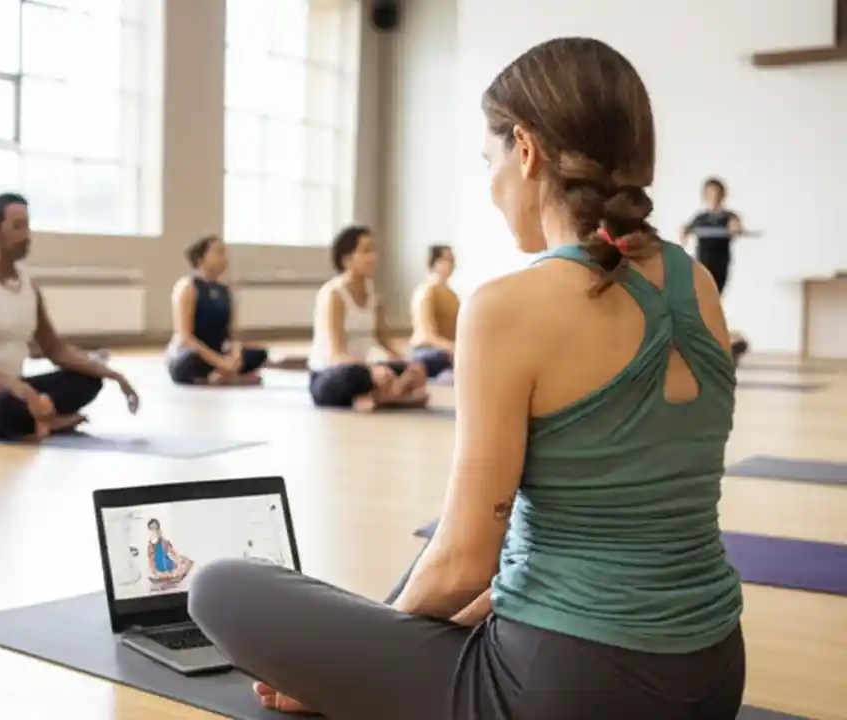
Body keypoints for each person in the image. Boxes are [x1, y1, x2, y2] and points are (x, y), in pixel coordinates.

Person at [190, 38, 745, 719]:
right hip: (714, 676)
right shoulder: (697, 283)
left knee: (217, 586)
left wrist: (350, 672)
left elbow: (462, 562)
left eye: (490, 161)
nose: (491, 185)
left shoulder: (508, 304)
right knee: (455, 563)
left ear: (527, 148)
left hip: (567, 690)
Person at [0, 193, 140, 441]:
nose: (26, 235)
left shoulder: (28, 286)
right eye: (17, 226)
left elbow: (55, 348)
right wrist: (23, 391)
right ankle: (41, 417)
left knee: (88, 380)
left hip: (15, 389)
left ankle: (36, 418)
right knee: (1, 404)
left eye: (27, 225)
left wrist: (112, 374)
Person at [307, 226, 428, 412]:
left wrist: (411, 365)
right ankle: (388, 395)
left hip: (367, 370)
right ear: (347, 259)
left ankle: (380, 395)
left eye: (373, 250)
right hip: (332, 374)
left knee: (403, 369)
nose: (373, 257)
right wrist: (371, 371)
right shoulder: (334, 295)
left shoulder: (374, 296)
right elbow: (336, 354)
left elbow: (386, 342)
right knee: (354, 376)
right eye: (365, 251)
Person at [167, 235, 269, 386]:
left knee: (259, 353)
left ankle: (219, 373)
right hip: (195, 354)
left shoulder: (225, 290)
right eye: (218, 252)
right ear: (201, 257)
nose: (224, 258)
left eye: (224, 253)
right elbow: (185, 338)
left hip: (218, 351)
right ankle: (220, 372)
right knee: (188, 363)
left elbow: (232, 334)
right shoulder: (187, 287)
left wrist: (235, 355)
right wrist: (221, 362)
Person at [680, 179, 753, 363]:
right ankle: (714, 345)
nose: (713, 198)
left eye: (716, 194)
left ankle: (723, 344)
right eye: (709, 194)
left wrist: (736, 229)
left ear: (722, 196)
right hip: (701, 266)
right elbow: (685, 233)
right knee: (700, 305)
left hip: (720, 266)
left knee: (711, 305)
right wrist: (684, 231)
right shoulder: (700, 218)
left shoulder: (729, 216)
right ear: (705, 196)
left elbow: (737, 230)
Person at [409, 245, 460, 378]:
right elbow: (426, 335)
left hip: (448, 351)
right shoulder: (426, 291)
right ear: (433, 262)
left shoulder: (453, 296)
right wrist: (453, 348)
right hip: (427, 352)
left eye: (451, 260)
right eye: (444, 259)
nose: (449, 264)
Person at [146, 518, 193, 584]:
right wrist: (155, 572)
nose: (154, 531)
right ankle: (168, 575)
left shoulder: (164, 542)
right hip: (160, 569)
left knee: (183, 561)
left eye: (155, 528)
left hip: (168, 565)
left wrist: (179, 561)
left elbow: (173, 553)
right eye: (152, 529)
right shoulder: (150, 547)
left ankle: (172, 574)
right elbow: (151, 560)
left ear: (159, 529)